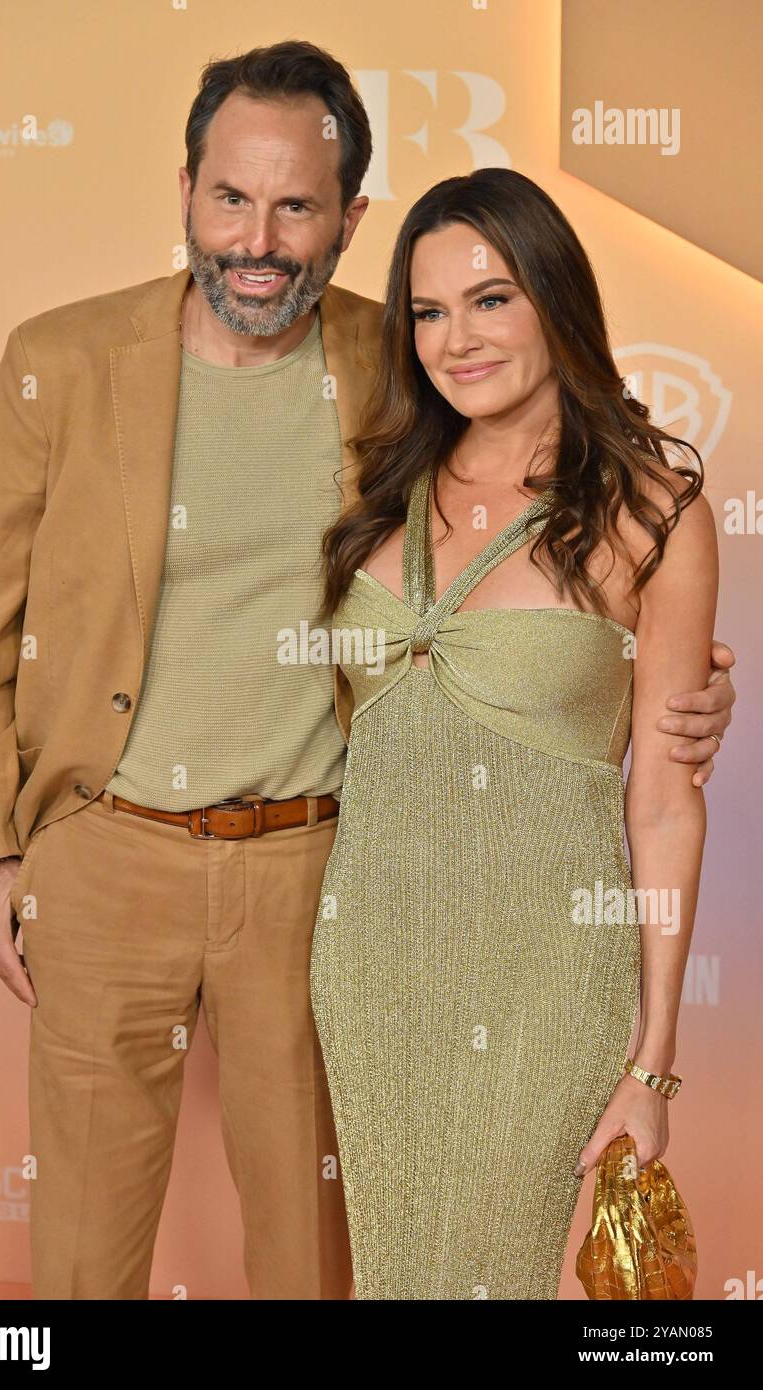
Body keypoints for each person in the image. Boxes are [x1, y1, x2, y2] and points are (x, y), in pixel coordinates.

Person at [0, 44, 732, 1301]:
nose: (258, 237)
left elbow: (562, 589)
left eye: (296, 205)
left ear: (349, 221)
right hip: (105, 855)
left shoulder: (389, 366)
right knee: (80, 1256)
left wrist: (658, 678)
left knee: (317, 1253)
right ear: (184, 189)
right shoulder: (62, 361)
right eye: (230, 197)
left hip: (314, 867)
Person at [310, 167, 720, 1300]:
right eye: (429, 311)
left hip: (548, 968)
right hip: (371, 959)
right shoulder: (381, 485)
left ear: (554, 296)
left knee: (490, 1271)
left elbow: (665, 796)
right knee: (397, 1275)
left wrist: (655, 1061)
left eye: (490, 298)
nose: (457, 337)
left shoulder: (655, 505)